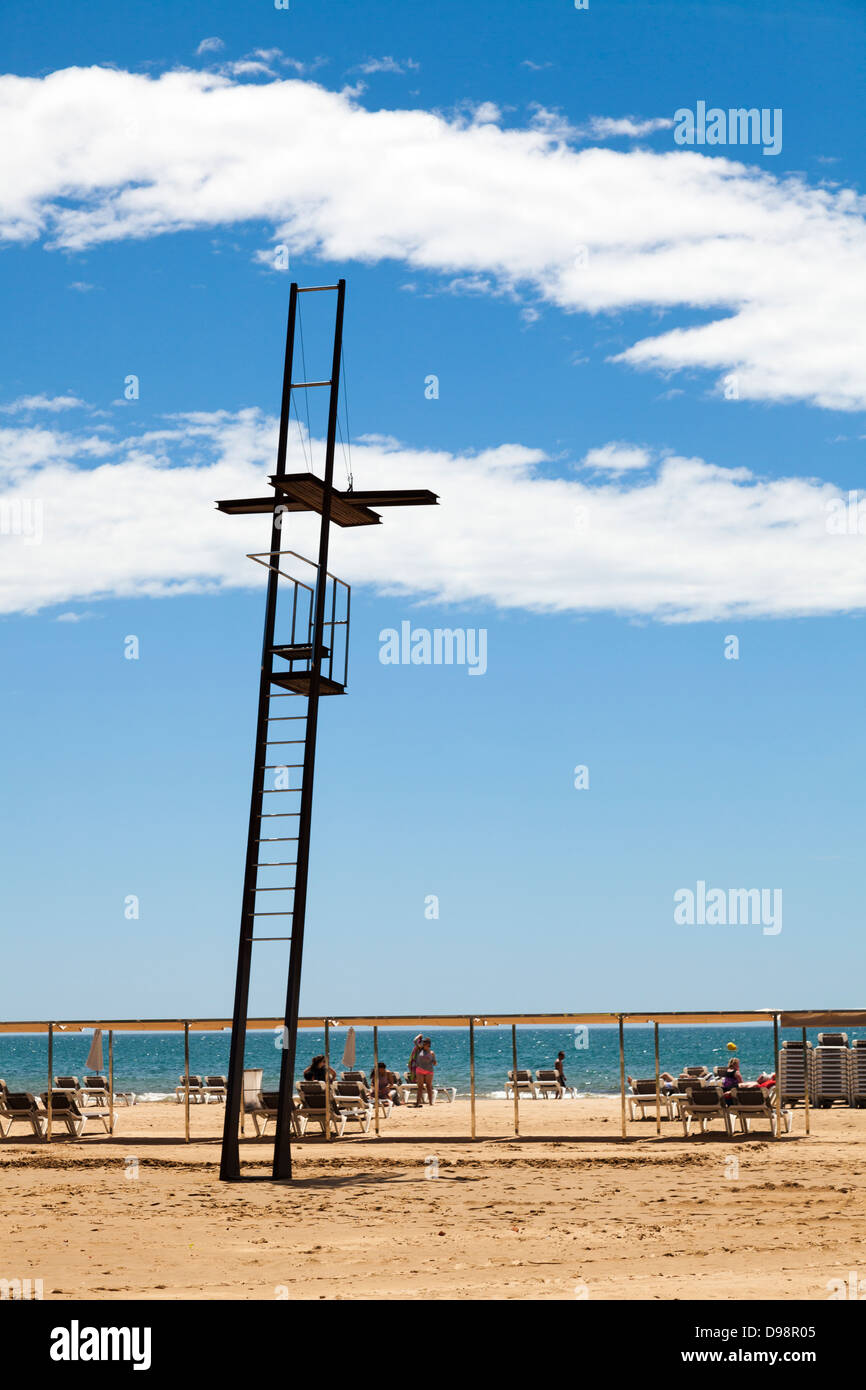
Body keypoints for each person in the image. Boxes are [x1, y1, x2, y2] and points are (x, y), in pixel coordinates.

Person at [413, 1038, 436, 1107]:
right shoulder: (419, 1050)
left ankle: (431, 1102)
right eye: (423, 1043)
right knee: (420, 1087)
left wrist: (434, 1062)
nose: (423, 1044)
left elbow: (434, 1062)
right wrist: (419, 1036)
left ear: (428, 1044)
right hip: (420, 1070)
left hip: (429, 1070)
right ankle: (418, 1102)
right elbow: (414, 1041)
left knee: (429, 1086)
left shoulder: (432, 1052)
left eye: (425, 1043)